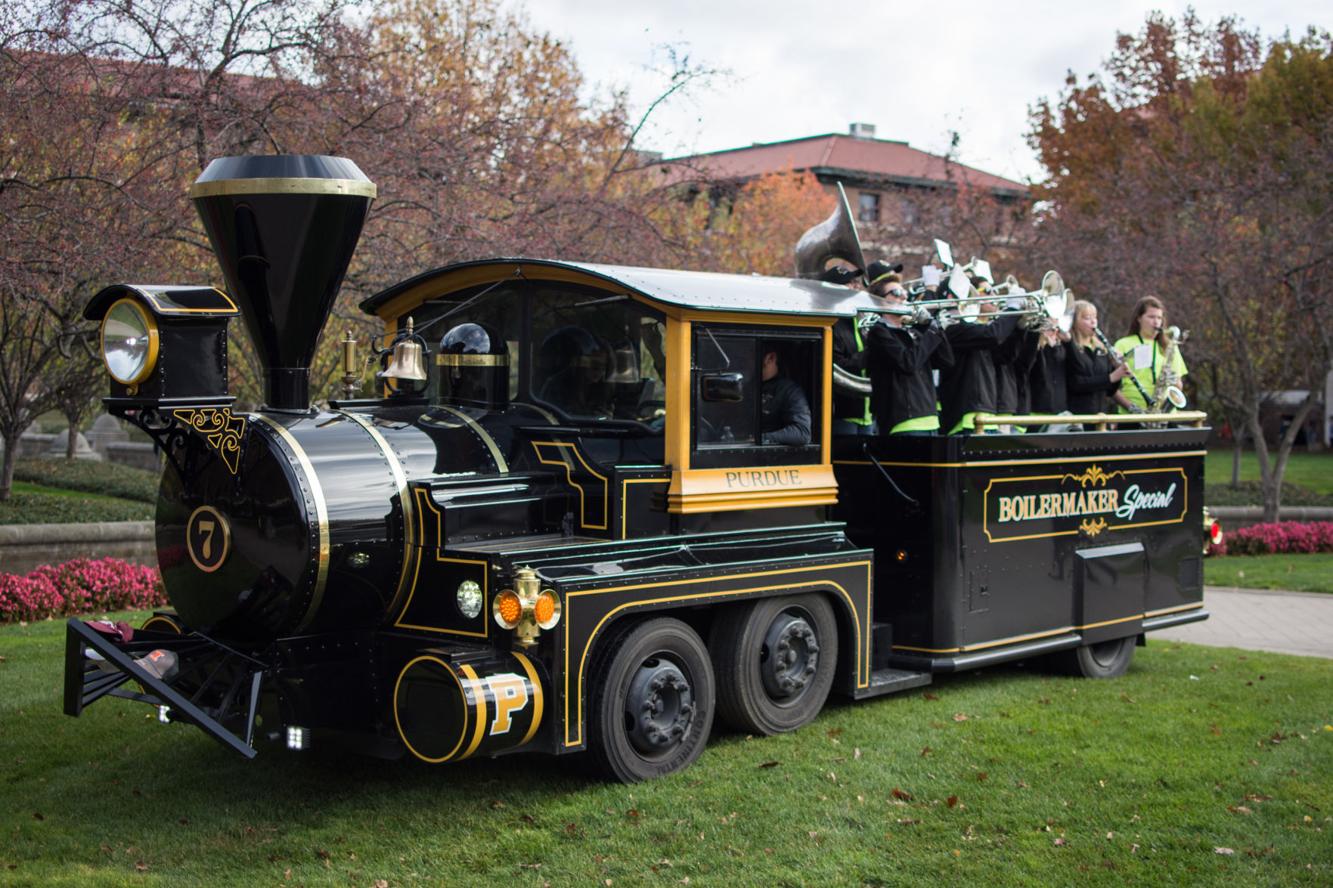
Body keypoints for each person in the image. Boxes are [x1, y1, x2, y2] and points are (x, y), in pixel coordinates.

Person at [865, 271, 952, 435]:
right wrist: (932, 331)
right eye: (896, 293)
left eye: (904, 292)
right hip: (904, 421)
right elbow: (908, 363)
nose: (904, 297)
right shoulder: (879, 332)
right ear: (880, 302)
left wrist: (931, 327)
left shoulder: (912, 331)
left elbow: (946, 361)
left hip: (930, 418)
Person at [938, 291, 1022, 435]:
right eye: (986, 291)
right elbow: (993, 335)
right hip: (967, 418)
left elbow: (1005, 357)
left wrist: (1021, 327)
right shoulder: (954, 328)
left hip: (988, 414)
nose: (993, 295)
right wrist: (1013, 309)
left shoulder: (977, 331)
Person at [829, 261, 881, 434]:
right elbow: (836, 367)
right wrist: (870, 353)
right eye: (850, 283)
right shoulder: (833, 324)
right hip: (844, 414)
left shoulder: (861, 319)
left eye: (856, 282)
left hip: (869, 412)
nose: (857, 287)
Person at [1113, 295, 1188, 413]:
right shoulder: (1123, 344)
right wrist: (1131, 407)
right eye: (1151, 317)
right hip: (1132, 413)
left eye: (1159, 317)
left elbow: (1179, 385)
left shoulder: (1170, 346)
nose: (1156, 322)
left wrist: (1173, 382)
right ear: (1139, 318)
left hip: (1163, 413)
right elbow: (1111, 386)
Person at [1065, 300, 1131, 415]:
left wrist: (1116, 369)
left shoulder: (1101, 349)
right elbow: (1076, 384)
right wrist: (1111, 377)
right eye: (1087, 317)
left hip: (1100, 413)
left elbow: (1110, 391)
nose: (1093, 321)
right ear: (1074, 322)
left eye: (1095, 317)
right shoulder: (1070, 348)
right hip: (1078, 415)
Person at [760, 347, 811, 445]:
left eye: (749, 354)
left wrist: (759, 438)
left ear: (771, 358)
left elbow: (802, 433)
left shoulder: (790, 391)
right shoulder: (747, 386)